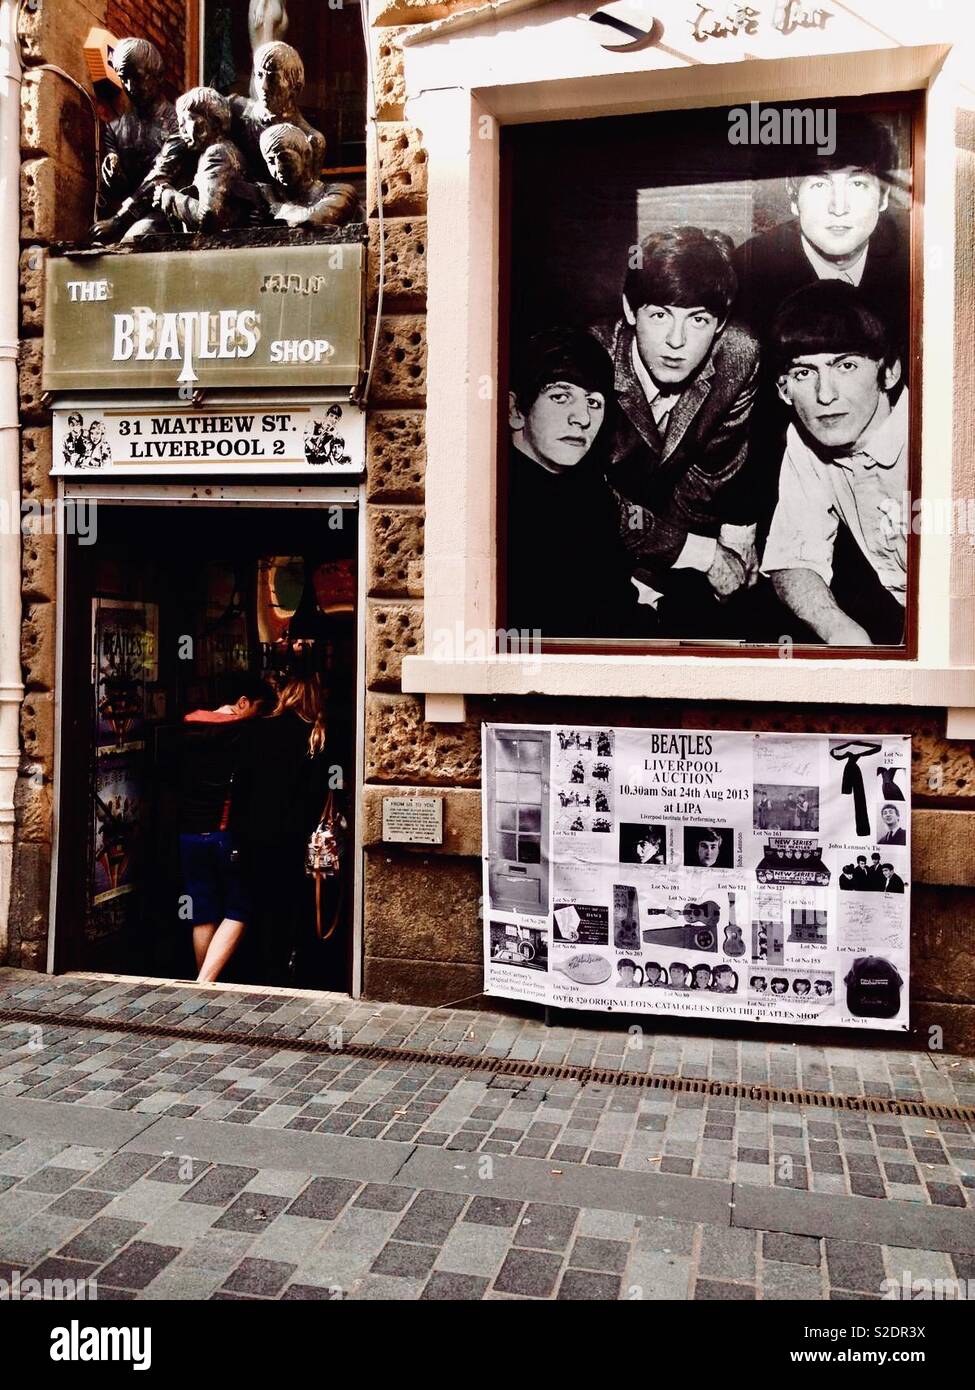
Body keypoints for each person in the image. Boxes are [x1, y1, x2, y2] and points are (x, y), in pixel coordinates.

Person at [590, 227, 763, 636]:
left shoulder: (739, 356)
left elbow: (707, 481)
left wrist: (657, 574)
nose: (676, 341)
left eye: (698, 320)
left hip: (674, 530)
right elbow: (590, 497)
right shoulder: (590, 361)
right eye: (659, 314)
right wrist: (697, 554)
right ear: (631, 311)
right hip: (588, 536)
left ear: (720, 325)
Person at [761, 281, 908, 645]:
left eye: (845, 365)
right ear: (784, 390)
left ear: (889, 372)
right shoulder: (807, 439)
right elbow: (794, 558)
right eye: (804, 373)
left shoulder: (941, 436)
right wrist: (843, 634)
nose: (825, 395)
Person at [733, 114, 908, 360]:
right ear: (793, 197)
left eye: (857, 184)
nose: (838, 208)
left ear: (883, 197)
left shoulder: (915, 255)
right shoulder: (750, 270)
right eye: (820, 185)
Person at [506, 327, 631, 637]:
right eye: (561, 396)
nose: (582, 419)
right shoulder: (498, 501)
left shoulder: (592, 495)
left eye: (594, 403)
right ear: (515, 410)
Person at [230, 671, 334, 985]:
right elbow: (318, 792)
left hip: (253, 832)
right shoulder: (316, 736)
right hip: (291, 835)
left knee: (255, 900)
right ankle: (284, 964)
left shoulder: (257, 729)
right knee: (288, 900)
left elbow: (242, 783)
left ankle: (257, 963)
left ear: (287, 696)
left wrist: (237, 828)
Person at [177, 673, 272, 983]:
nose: (259, 716)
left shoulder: (188, 727)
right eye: (257, 708)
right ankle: (205, 982)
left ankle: (205, 981)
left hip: (189, 834)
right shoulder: (243, 735)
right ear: (242, 702)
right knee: (240, 908)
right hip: (223, 833)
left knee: (201, 913)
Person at [91, 38, 177, 244]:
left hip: (165, 214)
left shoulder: (179, 123)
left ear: (157, 76)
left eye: (137, 78)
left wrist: (118, 221)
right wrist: (112, 172)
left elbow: (159, 177)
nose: (130, 87)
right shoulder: (115, 129)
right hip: (124, 215)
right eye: (124, 78)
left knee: (135, 239)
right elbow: (113, 192)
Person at [231, 41, 325, 183]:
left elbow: (306, 197)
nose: (263, 86)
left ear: (295, 86)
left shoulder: (310, 140)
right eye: (259, 75)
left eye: (272, 78)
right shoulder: (236, 110)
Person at [257, 123, 358, 229]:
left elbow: (312, 219)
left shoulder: (342, 192)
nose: (278, 168)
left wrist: (274, 207)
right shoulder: (271, 195)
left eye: (285, 158)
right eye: (270, 161)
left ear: (306, 155)